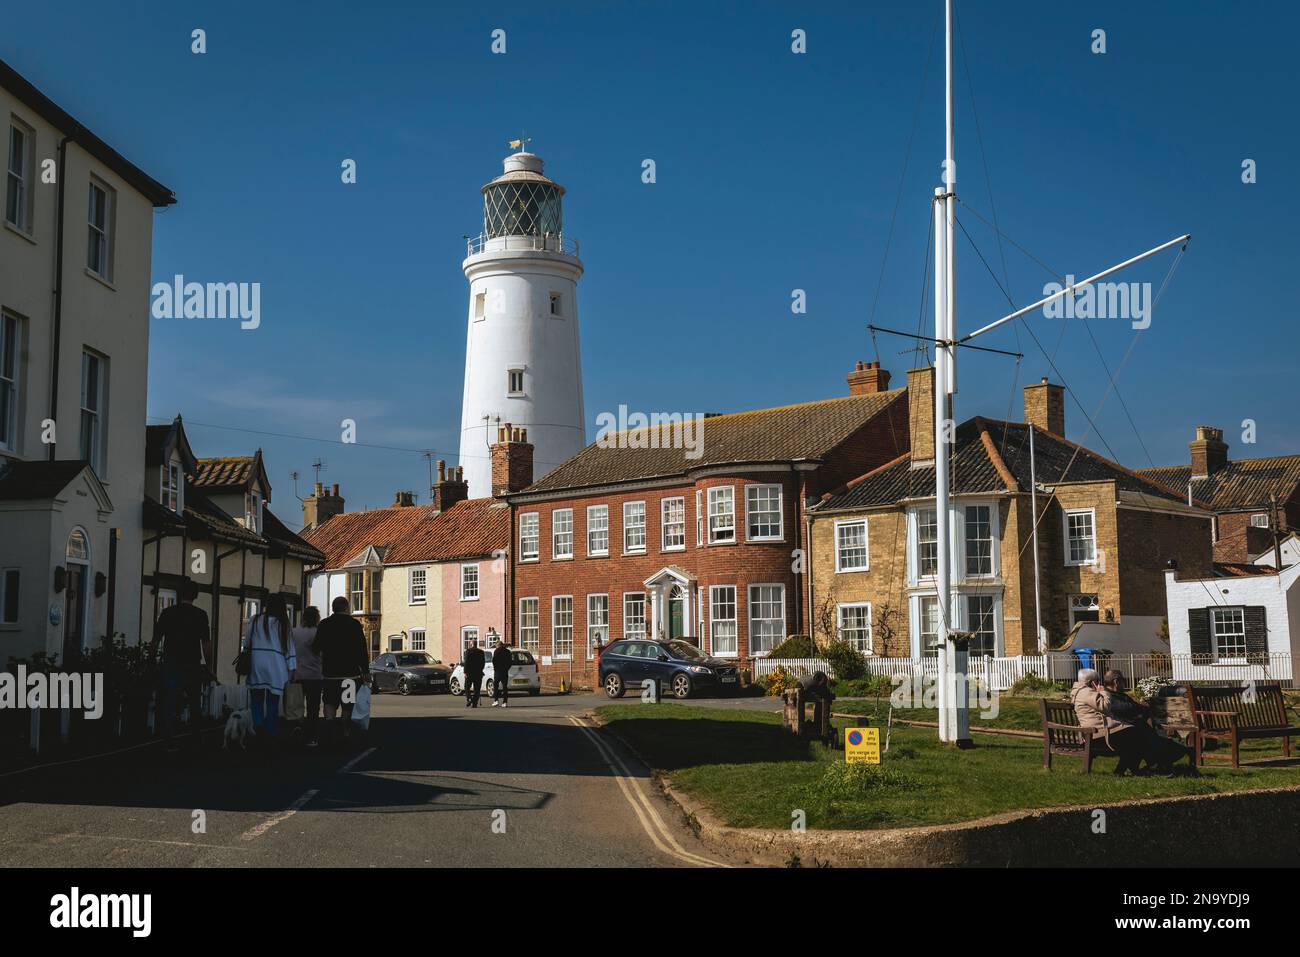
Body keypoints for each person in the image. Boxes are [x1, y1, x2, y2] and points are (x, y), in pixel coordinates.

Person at [148, 579, 213, 752]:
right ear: (195, 595)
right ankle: (196, 739)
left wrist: (151, 661)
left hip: (172, 663)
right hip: (192, 664)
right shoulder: (201, 615)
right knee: (194, 702)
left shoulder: (167, 613)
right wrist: (209, 664)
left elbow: (155, 641)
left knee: (169, 701)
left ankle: (168, 739)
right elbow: (206, 643)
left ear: (179, 593)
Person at [1102, 669, 1194, 775]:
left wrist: (1145, 711)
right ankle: (1156, 765)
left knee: (1151, 733)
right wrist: (1145, 710)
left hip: (1134, 728)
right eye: (1123, 681)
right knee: (1146, 737)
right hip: (1124, 732)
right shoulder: (1109, 696)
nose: (1124, 683)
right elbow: (1130, 708)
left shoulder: (1118, 695)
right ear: (1116, 682)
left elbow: (1136, 708)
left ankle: (1156, 764)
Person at [313, 596, 370, 743]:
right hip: (349, 676)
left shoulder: (324, 624)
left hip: (330, 674)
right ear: (346, 608)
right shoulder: (354, 625)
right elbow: (362, 651)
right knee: (347, 705)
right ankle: (345, 732)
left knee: (330, 702)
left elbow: (315, 648)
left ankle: (329, 726)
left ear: (333, 608)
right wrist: (365, 671)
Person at [243, 594, 296, 744]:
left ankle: (258, 727)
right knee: (273, 702)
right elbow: (289, 649)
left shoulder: (255, 620)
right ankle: (271, 733)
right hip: (276, 666)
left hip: (257, 664)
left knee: (256, 700)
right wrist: (292, 669)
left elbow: (247, 643)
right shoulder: (283, 624)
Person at [292, 606, 324, 747]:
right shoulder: (318, 633)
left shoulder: (294, 633)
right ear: (317, 618)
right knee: (313, 708)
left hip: (297, 674)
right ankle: (311, 737)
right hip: (315, 675)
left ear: (303, 617)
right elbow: (323, 655)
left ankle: (297, 728)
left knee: (297, 706)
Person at [463, 640, 486, 708]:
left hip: (469, 672)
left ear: (471, 644)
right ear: (476, 644)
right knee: (477, 689)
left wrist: (465, 672)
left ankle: (469, 698)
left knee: (467, 687)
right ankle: (474, 703)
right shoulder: (481, 652)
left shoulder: (469, 651)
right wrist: (481, 670)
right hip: (478, 673)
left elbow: (466, 662)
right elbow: (483, 663)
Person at [491, 637, 513, 707]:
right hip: (505, 671)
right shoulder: (508, 652)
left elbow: (494, 661)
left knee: (495, 686)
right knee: (505, 687)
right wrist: (507, 669)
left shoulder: (496, 651)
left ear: (498, 645)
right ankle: (505, 702)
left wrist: (495, 669)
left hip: (498, 671)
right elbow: (510, 662)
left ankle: (496, 700)